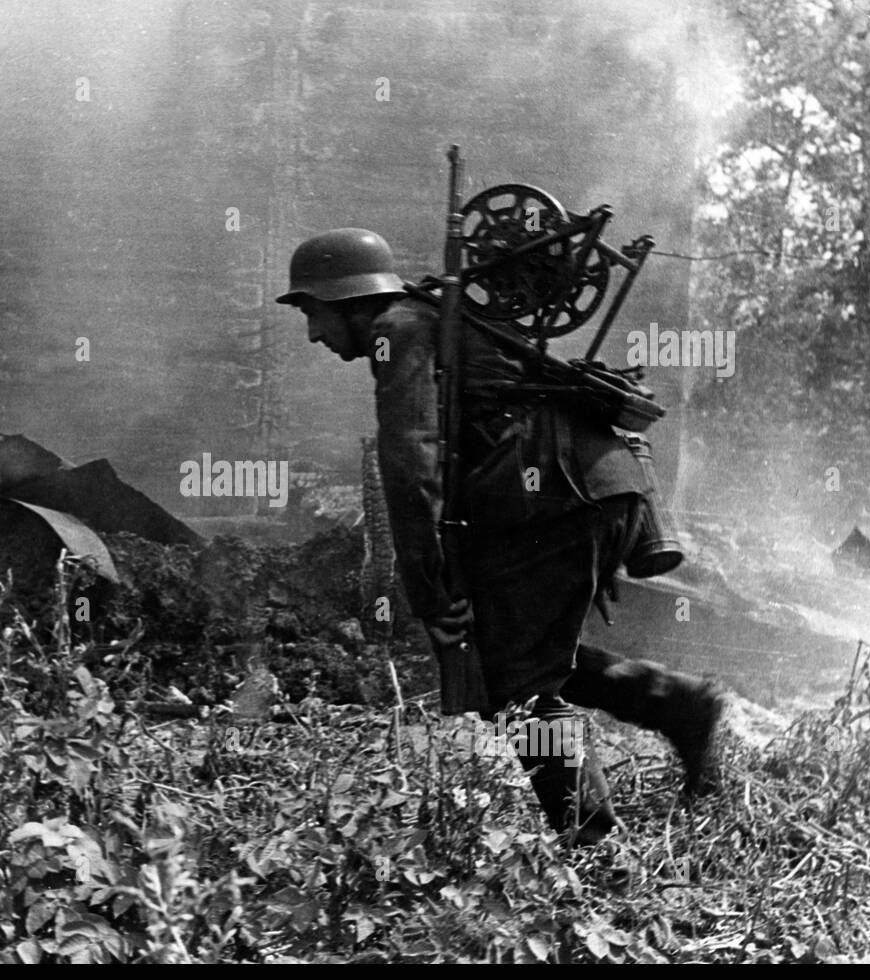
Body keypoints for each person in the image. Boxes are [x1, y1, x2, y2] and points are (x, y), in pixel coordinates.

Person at [278, 227, 724, 845]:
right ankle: (677, 704)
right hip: (588, 491)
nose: (313, 334)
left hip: (566, 498)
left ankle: (592, 843)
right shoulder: (432, 315)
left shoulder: (395, 331)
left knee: (519, 684)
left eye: (313, 313)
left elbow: (410, 465)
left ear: (349, 299)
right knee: (516, 652)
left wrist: (429, 590)